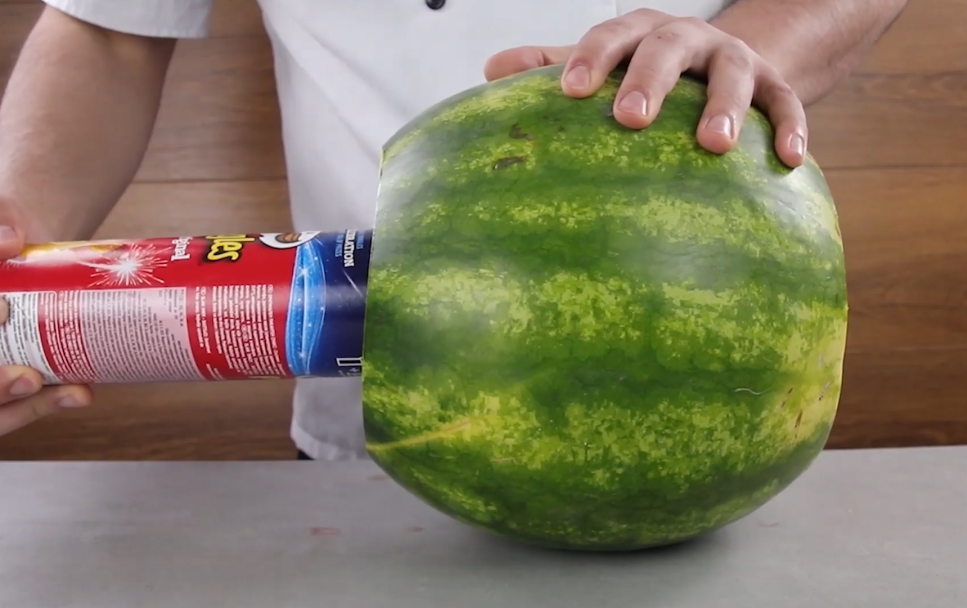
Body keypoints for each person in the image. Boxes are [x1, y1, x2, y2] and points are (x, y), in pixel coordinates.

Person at [0, 0, 907, 453]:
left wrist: (744, 61)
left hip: (715, 385)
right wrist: (13, 235)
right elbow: (110, 28)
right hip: (374, 420)